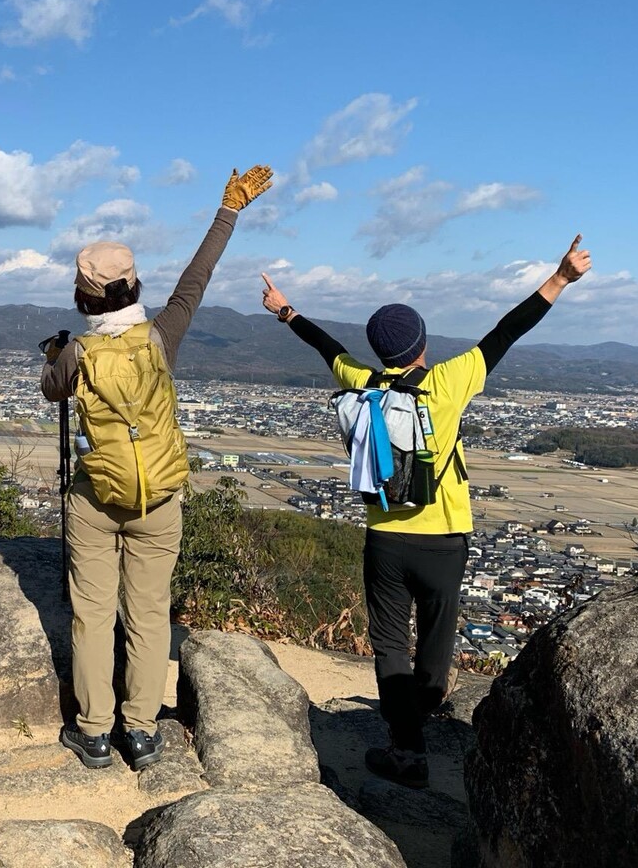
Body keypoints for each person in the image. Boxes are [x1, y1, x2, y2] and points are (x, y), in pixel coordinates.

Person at [260, 234, 592, 789]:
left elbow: (325, 346)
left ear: (380, 349)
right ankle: (431, 699)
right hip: (446, 538)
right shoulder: (446, 382)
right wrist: (559, 278)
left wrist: (284, 311)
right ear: (421, 343)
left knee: (390, 641)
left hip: (385, 537)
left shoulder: (363, 382)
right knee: (438, 631)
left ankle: (406, 748)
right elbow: (506, 331)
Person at [42, 165, 273, 771]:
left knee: (92, 615)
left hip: (97, 498)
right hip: (160, 498)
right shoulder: (161, 336)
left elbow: (52, 391)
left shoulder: (77, 352)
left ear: (83, 296)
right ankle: (141, 730)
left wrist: (54, 356)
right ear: (134, 285)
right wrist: (228, 211)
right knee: (147, 614)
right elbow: (196, 281)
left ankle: (92, 730)